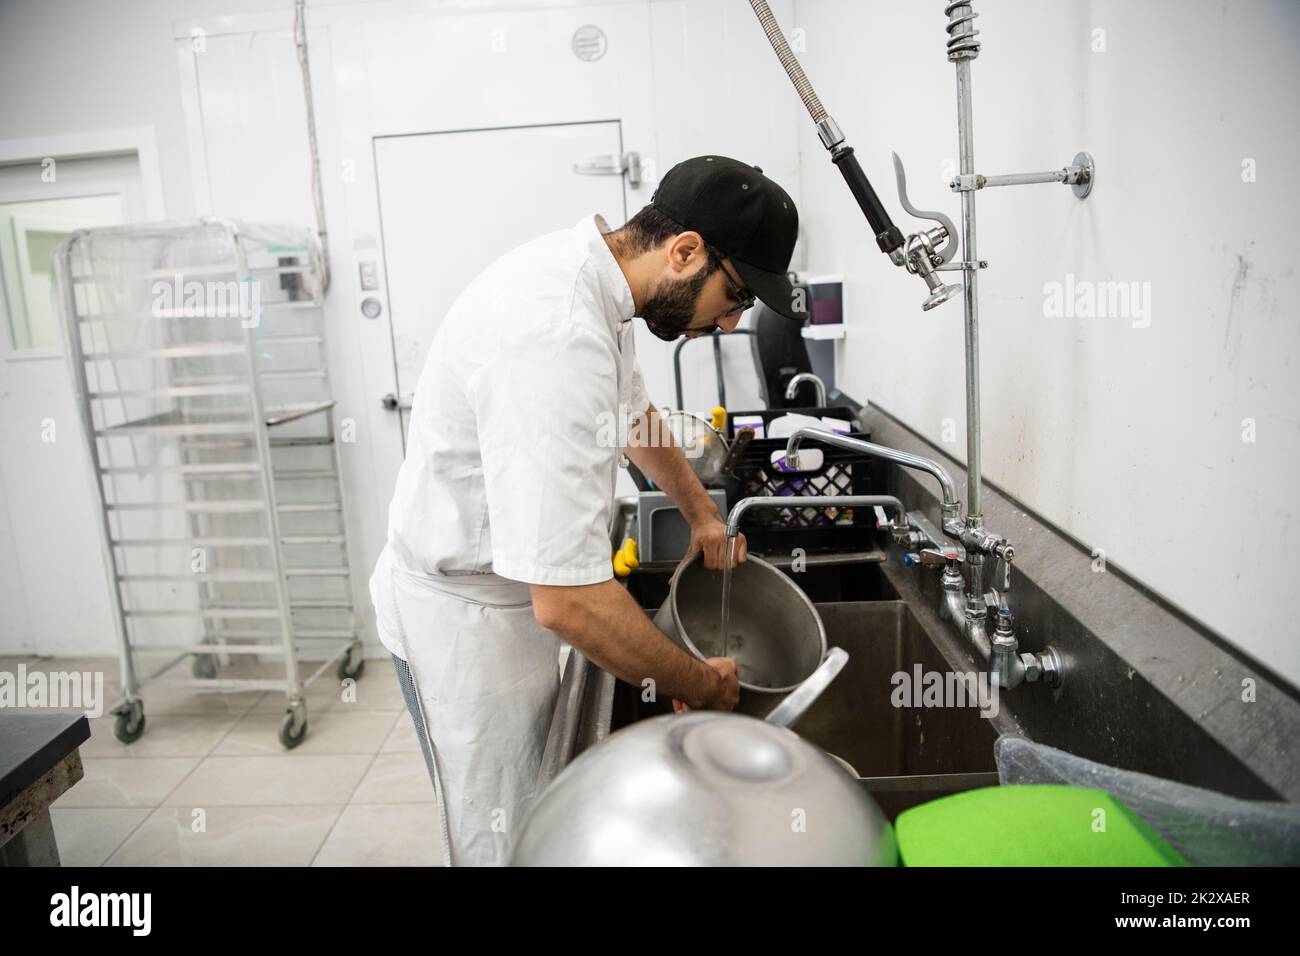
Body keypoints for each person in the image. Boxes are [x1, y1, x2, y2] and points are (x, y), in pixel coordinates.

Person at [369, 155, 808, 865]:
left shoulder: (601, 284)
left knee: (535, 816)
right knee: (503, 841)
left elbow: (631, 415)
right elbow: (568, 604)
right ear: (685, 250)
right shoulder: (554, 333)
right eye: (733, 297)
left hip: (513, 598)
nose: (728, 324)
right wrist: (700, 685)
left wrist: (700, 513)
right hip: (468, 626)